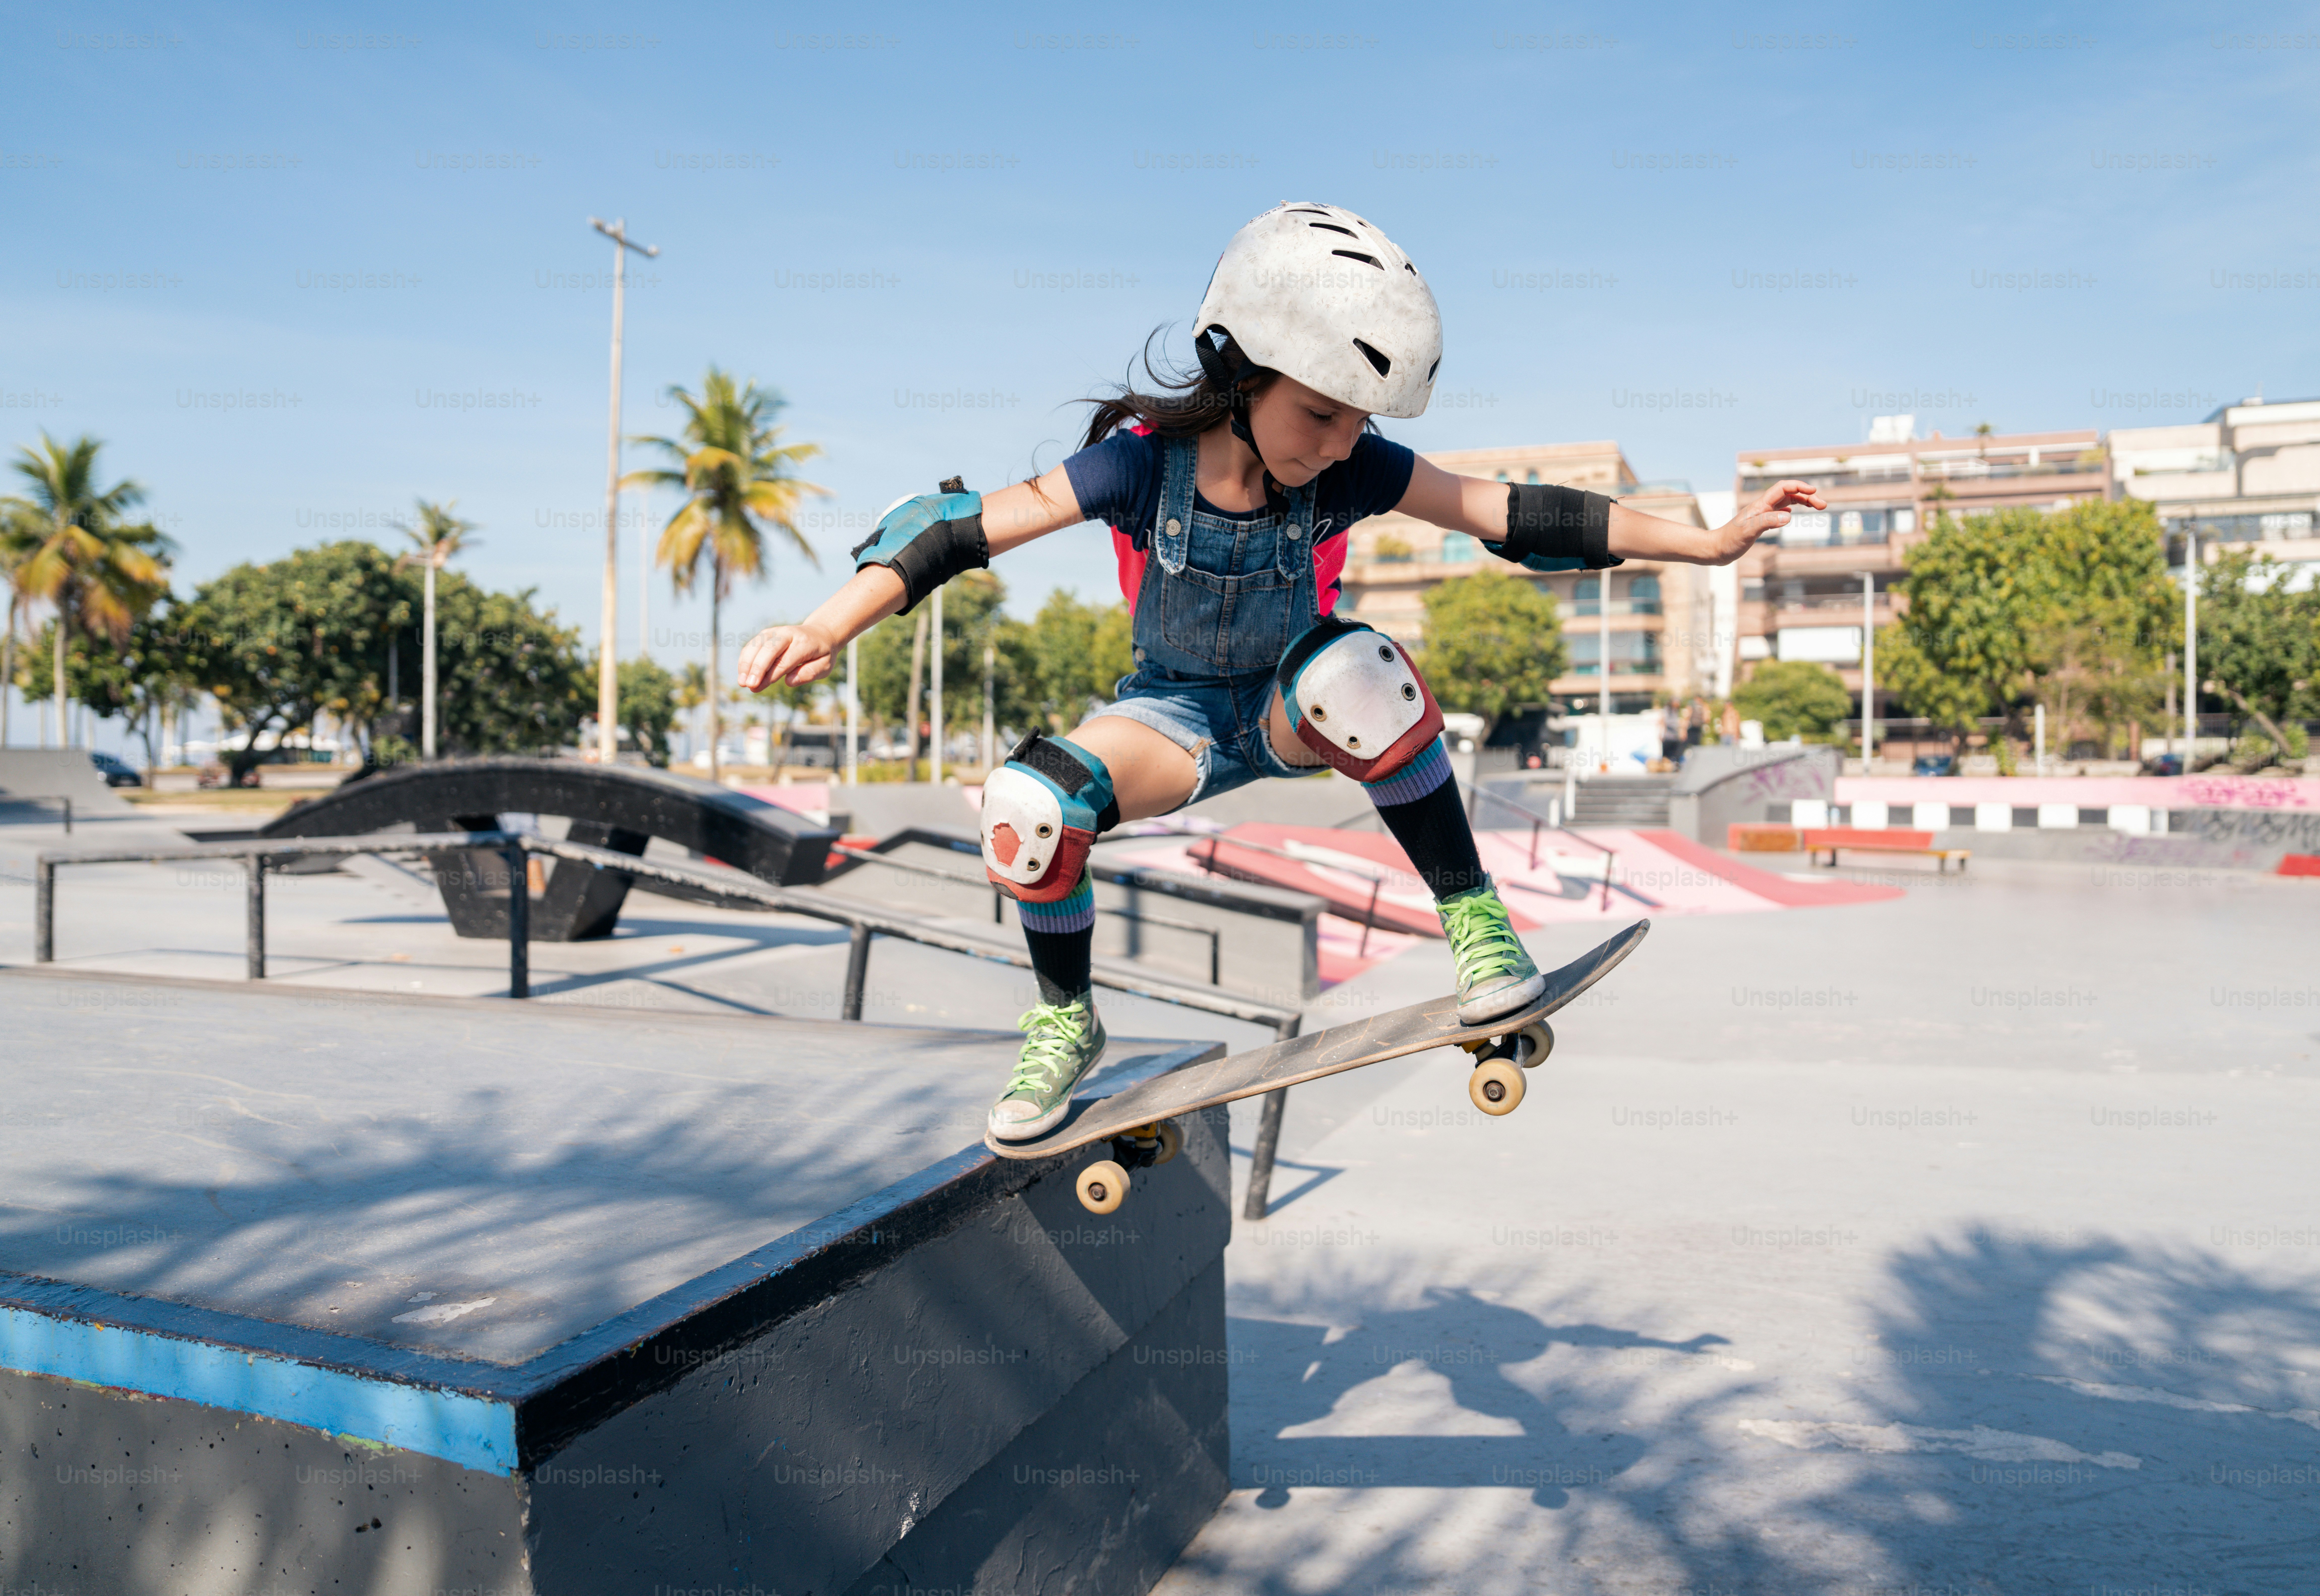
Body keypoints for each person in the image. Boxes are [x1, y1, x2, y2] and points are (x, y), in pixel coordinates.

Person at [738, 203, 1821, 1140]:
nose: (1343, 443)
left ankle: (1477, 924)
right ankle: (1066, 1020)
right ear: (1240, 372)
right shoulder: (1136, 466)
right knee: (1031, 806)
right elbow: (958, 530)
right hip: (1171, 722)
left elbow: (1513, 512)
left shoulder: (1350, 472)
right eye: (1321, 413)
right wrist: (828, 626)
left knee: (1357, 671)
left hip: (1290, 707)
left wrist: (1708, 544)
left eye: (1359, 421)